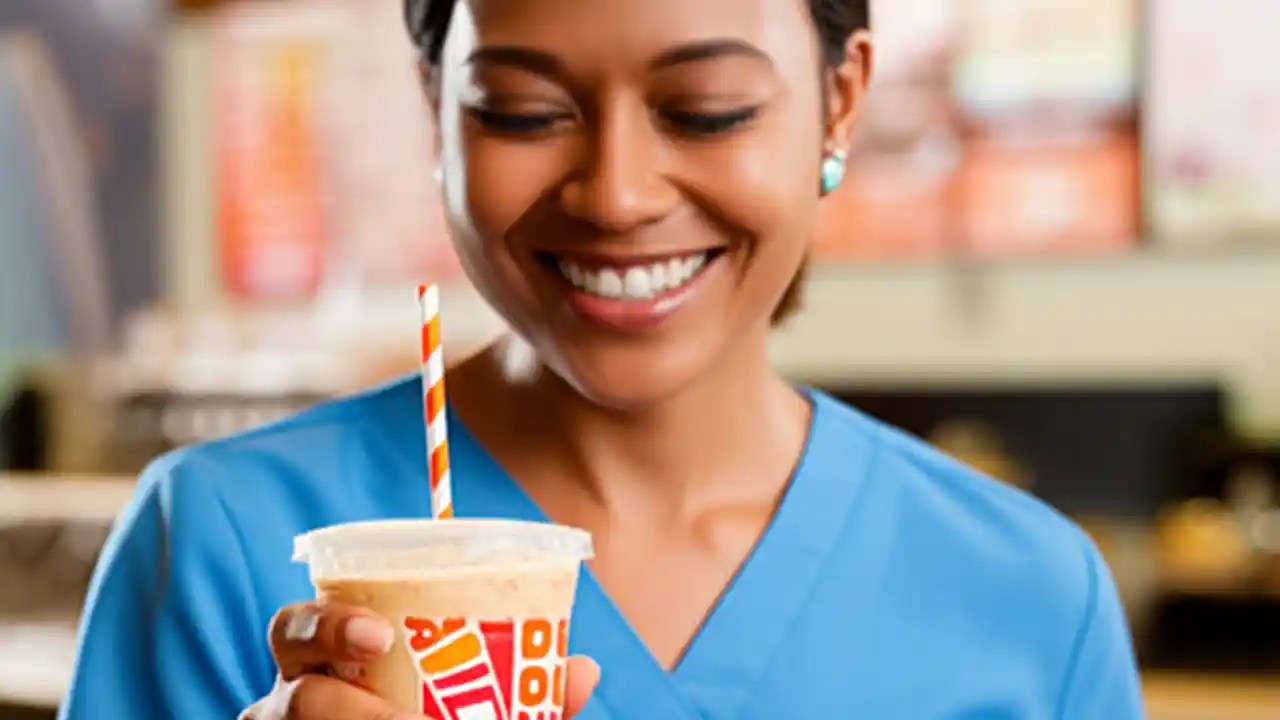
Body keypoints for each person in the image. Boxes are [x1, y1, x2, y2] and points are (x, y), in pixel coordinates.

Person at [61, 0, 1146, 717]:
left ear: (839, 102)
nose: (617, 194)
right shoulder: (228, 543)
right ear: (434, 108)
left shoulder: (1031, 600)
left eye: (705, 111)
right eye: (522, 112)